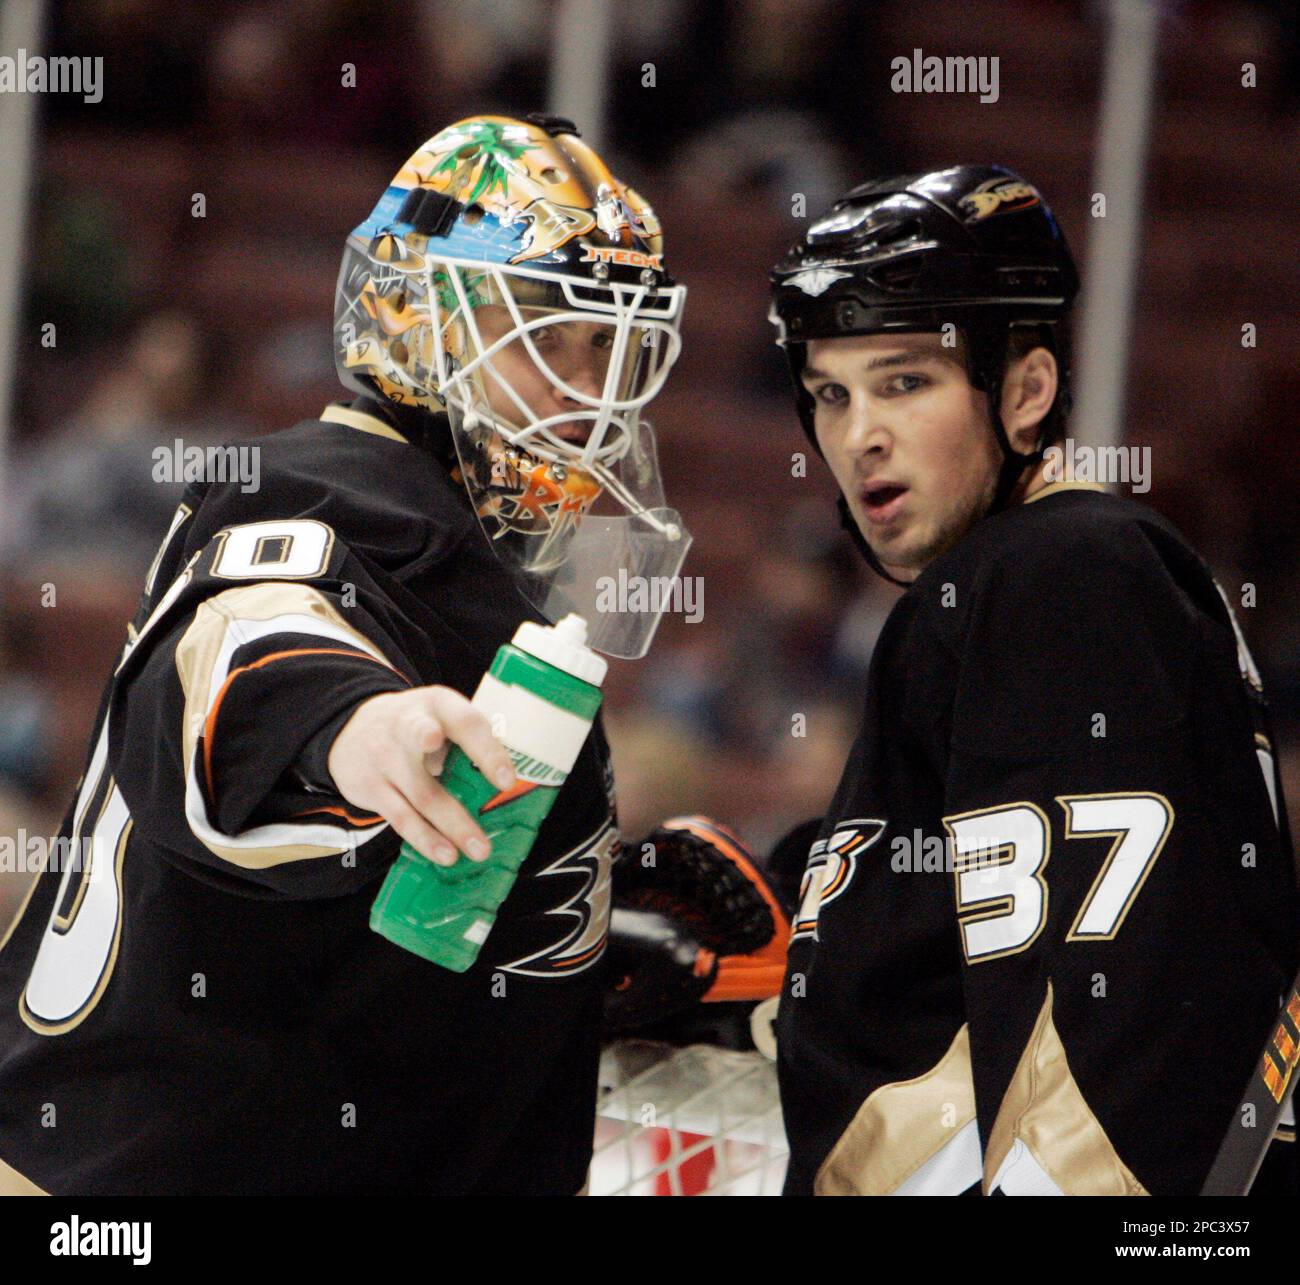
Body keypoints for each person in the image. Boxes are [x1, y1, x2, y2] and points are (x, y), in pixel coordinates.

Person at [0, 113, 692, 1195]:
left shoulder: (467, 553)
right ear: (416, 319)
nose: (583, 387)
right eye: (542, 334)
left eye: (606, 341)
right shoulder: (327, 494)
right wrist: (353, 725)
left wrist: (607, 946)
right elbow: (249, 642)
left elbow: (414, 934)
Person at [766, 165, 1299, 1196]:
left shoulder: (1057, 572)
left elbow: (1115, 1021)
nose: (855, 434)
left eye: (903, 380)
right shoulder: (1011, 582)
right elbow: (967, 911)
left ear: (1026, 390)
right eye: (831, 393)